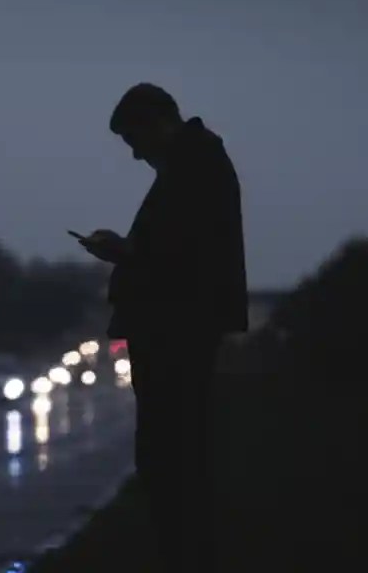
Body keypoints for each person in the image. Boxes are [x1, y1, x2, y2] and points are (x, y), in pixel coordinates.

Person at [74, 82, 248, 572]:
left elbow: (184, 255)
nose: (134, 155)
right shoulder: (195, 165)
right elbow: (183, 247)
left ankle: (185, 554)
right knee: (172, 453)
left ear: (158, 125)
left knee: (171, 455)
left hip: (176, 329)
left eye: (134, 141)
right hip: (177, 326)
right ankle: (184, 550)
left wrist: (125, 251)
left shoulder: (195, 168)